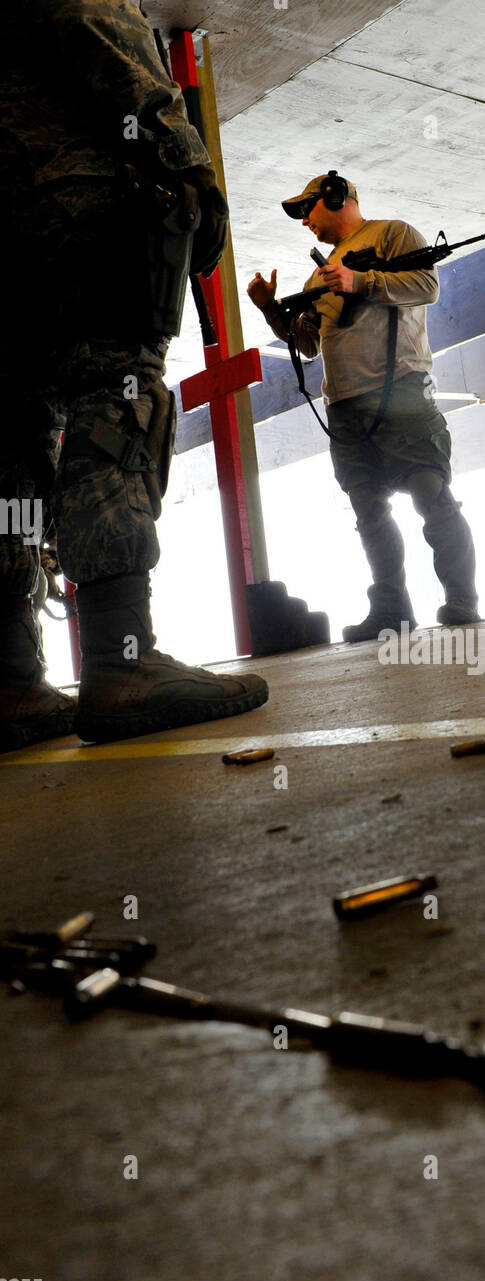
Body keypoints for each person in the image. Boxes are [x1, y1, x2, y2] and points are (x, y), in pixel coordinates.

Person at [0, 0, 269, 753]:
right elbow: (97, 26)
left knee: (11, 445)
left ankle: (11, 676)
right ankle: (122, 661)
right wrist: (188, 166)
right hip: (73, 208)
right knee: (116, 395)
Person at [247, 172, 481, 642]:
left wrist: (361, 280)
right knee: (368, 511)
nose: (305, 222)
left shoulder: (392, 233)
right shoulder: (319, 274)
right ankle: (392, 611)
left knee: (429, 494)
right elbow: (308, 343)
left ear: (335, 198)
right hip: (347, 406)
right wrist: (272, 310)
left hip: (401, 390)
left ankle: (461, 600)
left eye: (308, 209)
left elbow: (425, 286)